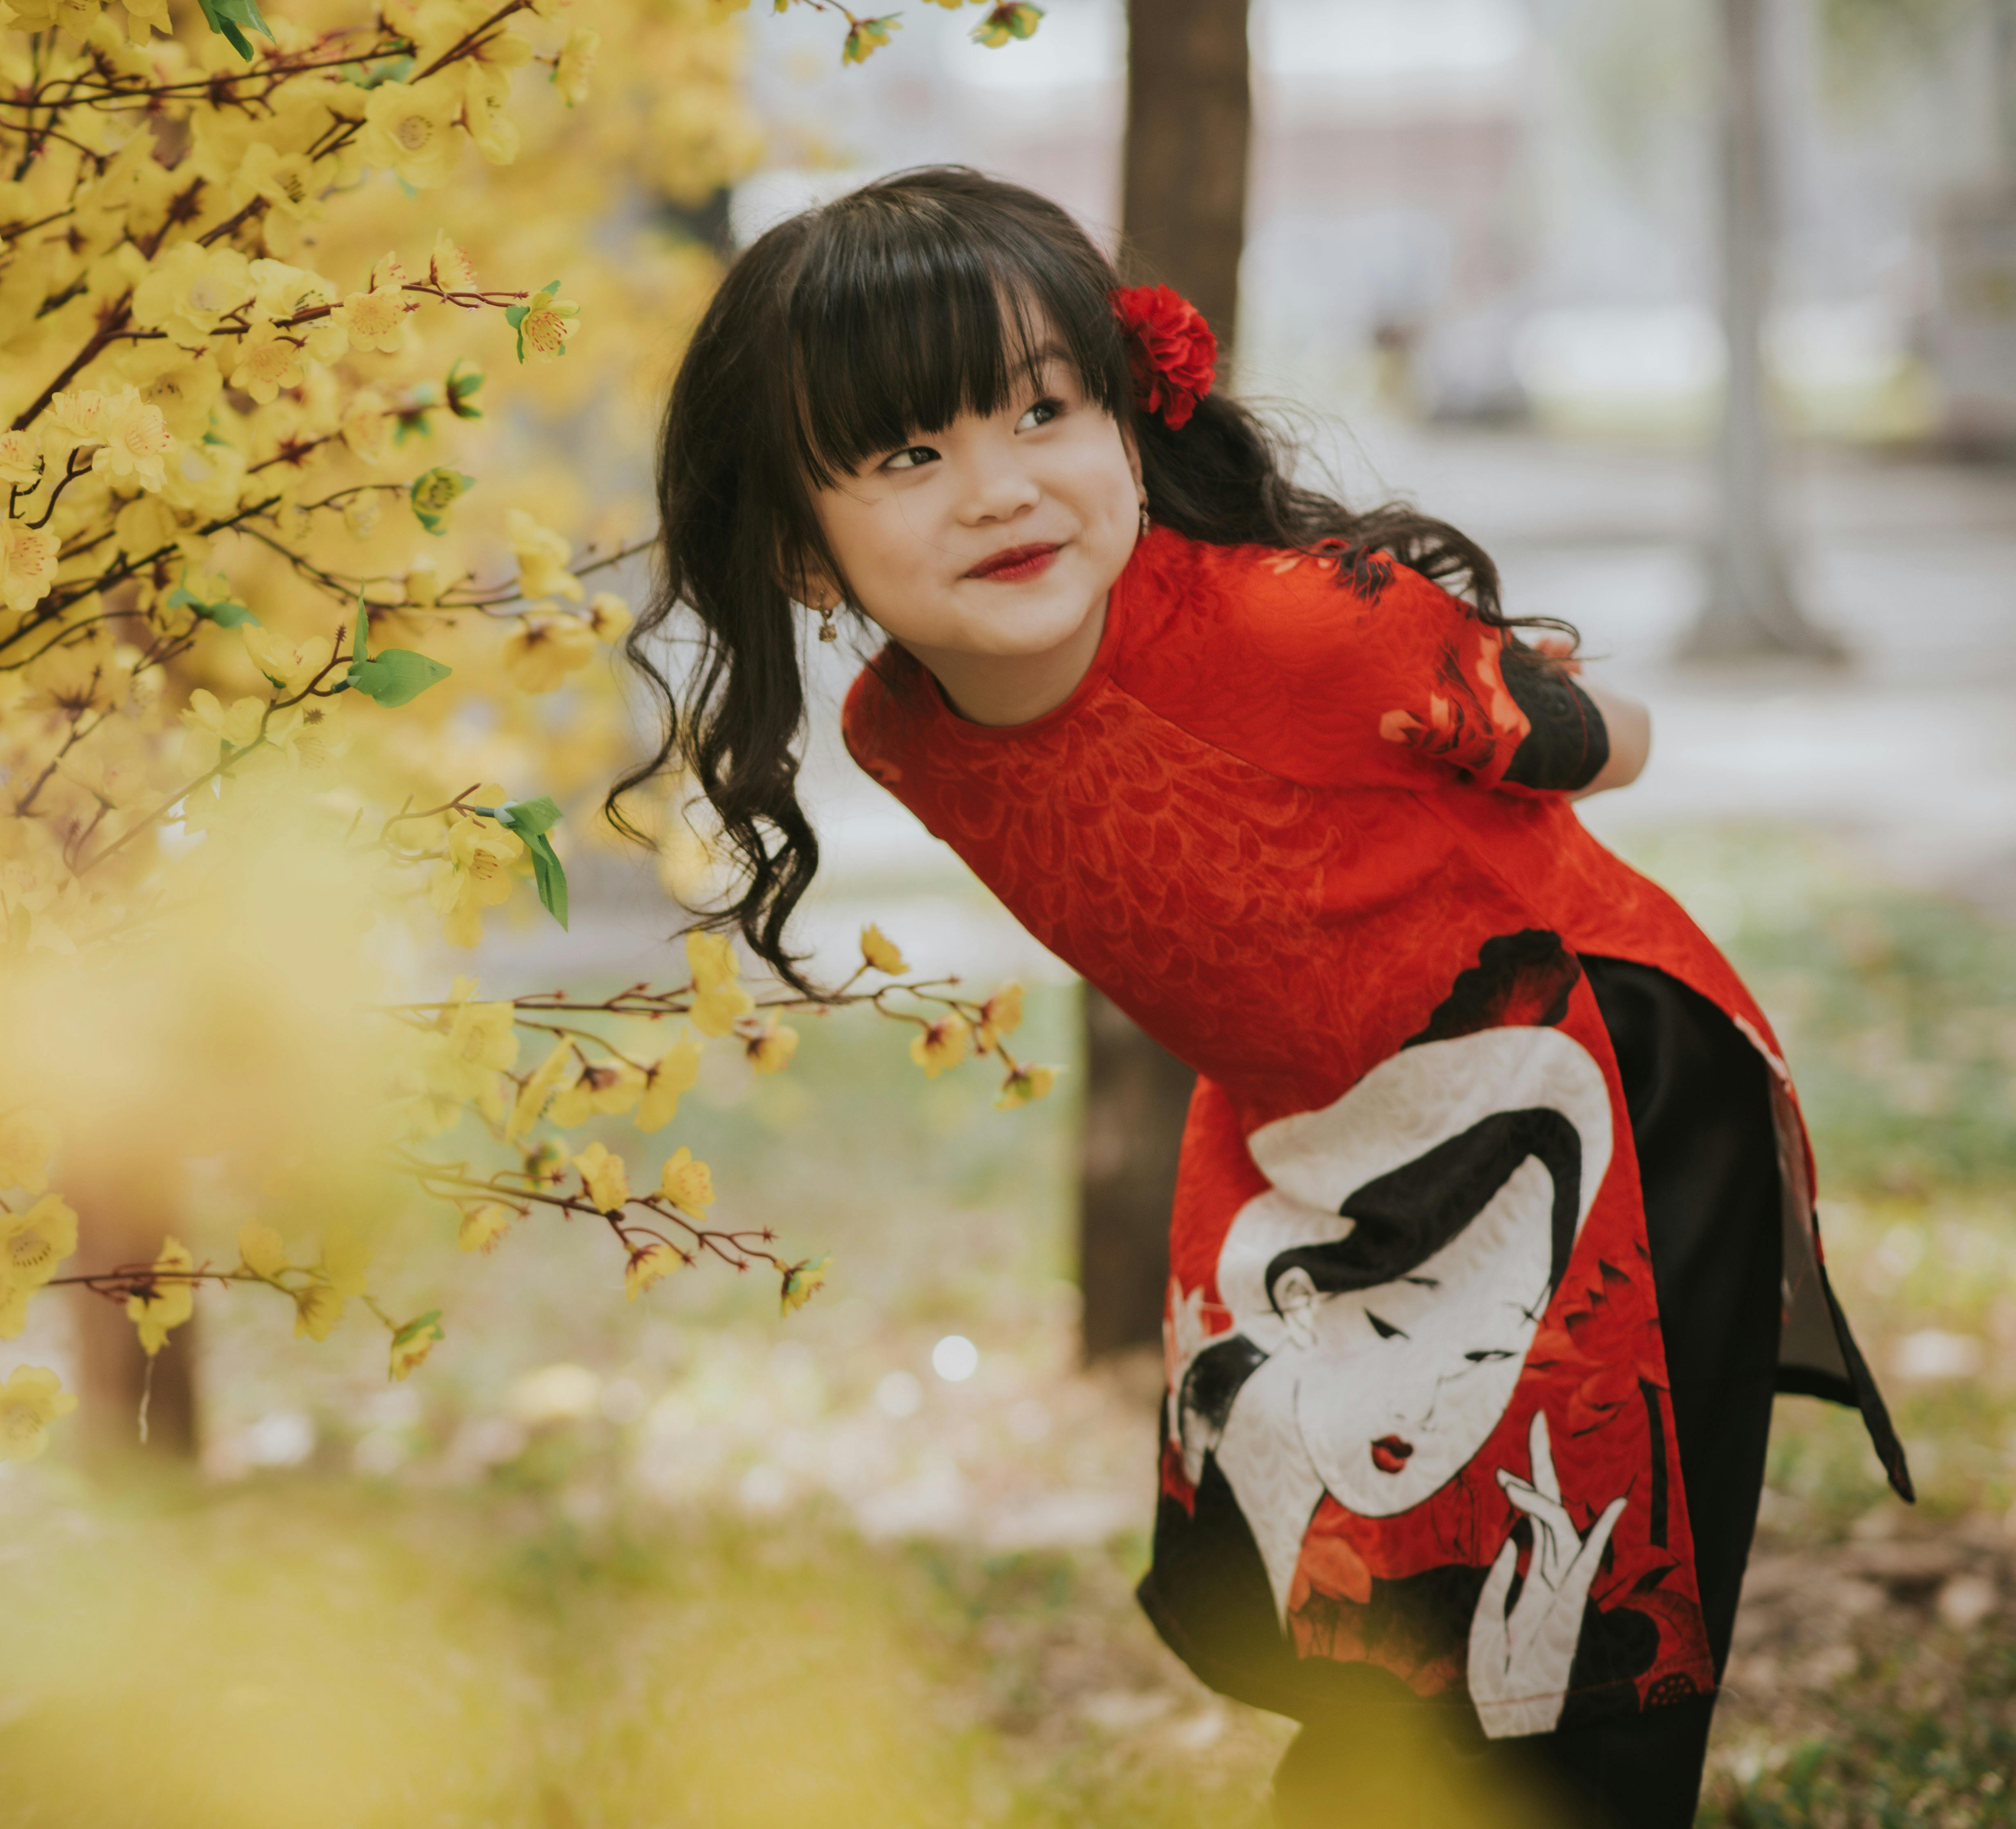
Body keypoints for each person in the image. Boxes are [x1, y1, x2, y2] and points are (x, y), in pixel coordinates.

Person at [616, 168, 1907, 1828]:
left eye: (1036, 411)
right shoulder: (904, 728)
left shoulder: (1314, 640)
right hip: (1318, 1128)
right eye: (906, 453)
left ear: (1127, 418)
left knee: (1569, 1650)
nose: (996, 489)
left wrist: (1497, 689)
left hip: (1582, 1089)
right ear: (800, 550)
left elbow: (1613, 738)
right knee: (1348, 1609)